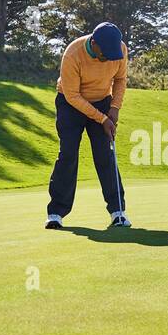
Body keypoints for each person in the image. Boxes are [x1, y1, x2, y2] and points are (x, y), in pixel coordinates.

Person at [46, 21, 130, 229]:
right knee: (68, 154)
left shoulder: (120, 50)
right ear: (94, 43)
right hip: (70, 103)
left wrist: (115, 108)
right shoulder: (73, 54)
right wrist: (102, 119)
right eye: (106, 53)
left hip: (102, 100)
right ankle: (56, 213)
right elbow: (73, 96)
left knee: (105, 154)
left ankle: (117, 211)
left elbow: (120, 79)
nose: (109, 58)